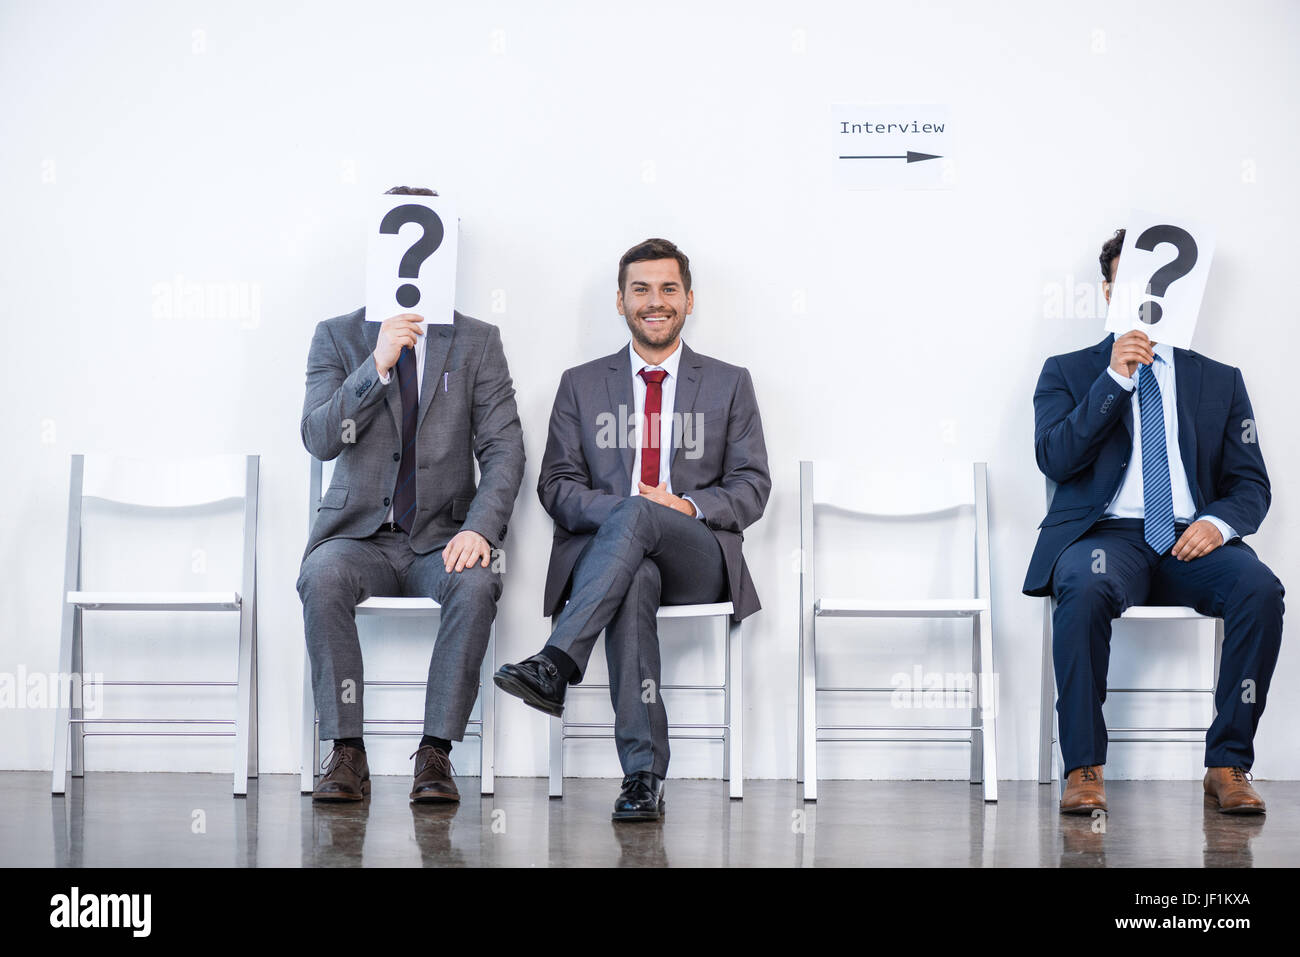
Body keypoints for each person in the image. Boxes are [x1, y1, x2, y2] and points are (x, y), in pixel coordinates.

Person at [494, 237, 771, 821]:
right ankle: (642, 778)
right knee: (635, 570)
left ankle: (555, 664)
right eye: (640, 289)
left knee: (645, 517)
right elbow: (556, 485)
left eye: (668, 289)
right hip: (613, 563)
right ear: (620, 302)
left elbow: (751, 487)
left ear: (689, 300)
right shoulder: (580, 384)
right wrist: (628, 514)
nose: (655, 301)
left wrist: (683, 507)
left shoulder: (729, 383)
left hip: (698, 557)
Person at [1024, 228, 1284, 815]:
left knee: (1260, 589)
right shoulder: (1067, 371)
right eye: (1128, 283)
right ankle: (1083, 766)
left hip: (1194, 537)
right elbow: (1055, 457)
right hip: (1105, 539)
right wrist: (1113, 380)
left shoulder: (1219, 379)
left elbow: (1251, 484)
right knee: (1083, 586)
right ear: (1108, 290)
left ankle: (1228, 763)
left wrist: (1218, 524)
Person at [297, 187, 525, 803]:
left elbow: (505, 449)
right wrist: (374, 366)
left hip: (440, 541)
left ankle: (436, 754)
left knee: (478, 580)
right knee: (320, 576)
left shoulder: (477, 342)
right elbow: (319, 438)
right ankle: (346, 752)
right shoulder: (337, 337)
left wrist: (480, 529)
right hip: (357, 539)